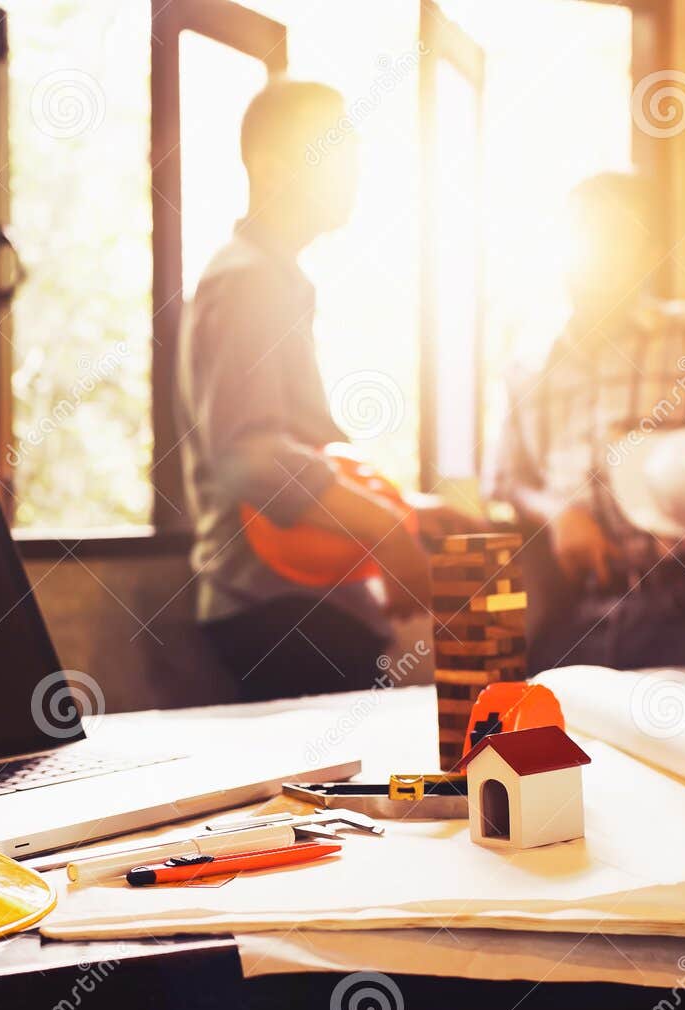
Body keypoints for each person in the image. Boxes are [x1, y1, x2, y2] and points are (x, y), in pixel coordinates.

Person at [177, 79, 475, 702]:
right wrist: (388, 530)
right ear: (269, 166)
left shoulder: (273, 278)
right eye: (333, 153)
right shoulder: (247, 281)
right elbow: (249, 459)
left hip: (298, 602)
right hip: (274, 607)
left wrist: (405, 510)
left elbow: (306, 449)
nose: (353, 174)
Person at [490, 171, 685, 671]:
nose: (597, 252)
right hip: (574, 611)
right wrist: (560, 514)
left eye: (615, 236)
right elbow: (509, 483)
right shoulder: (529, 363)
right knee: (570, 747)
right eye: (584, 234)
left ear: (645, 251)